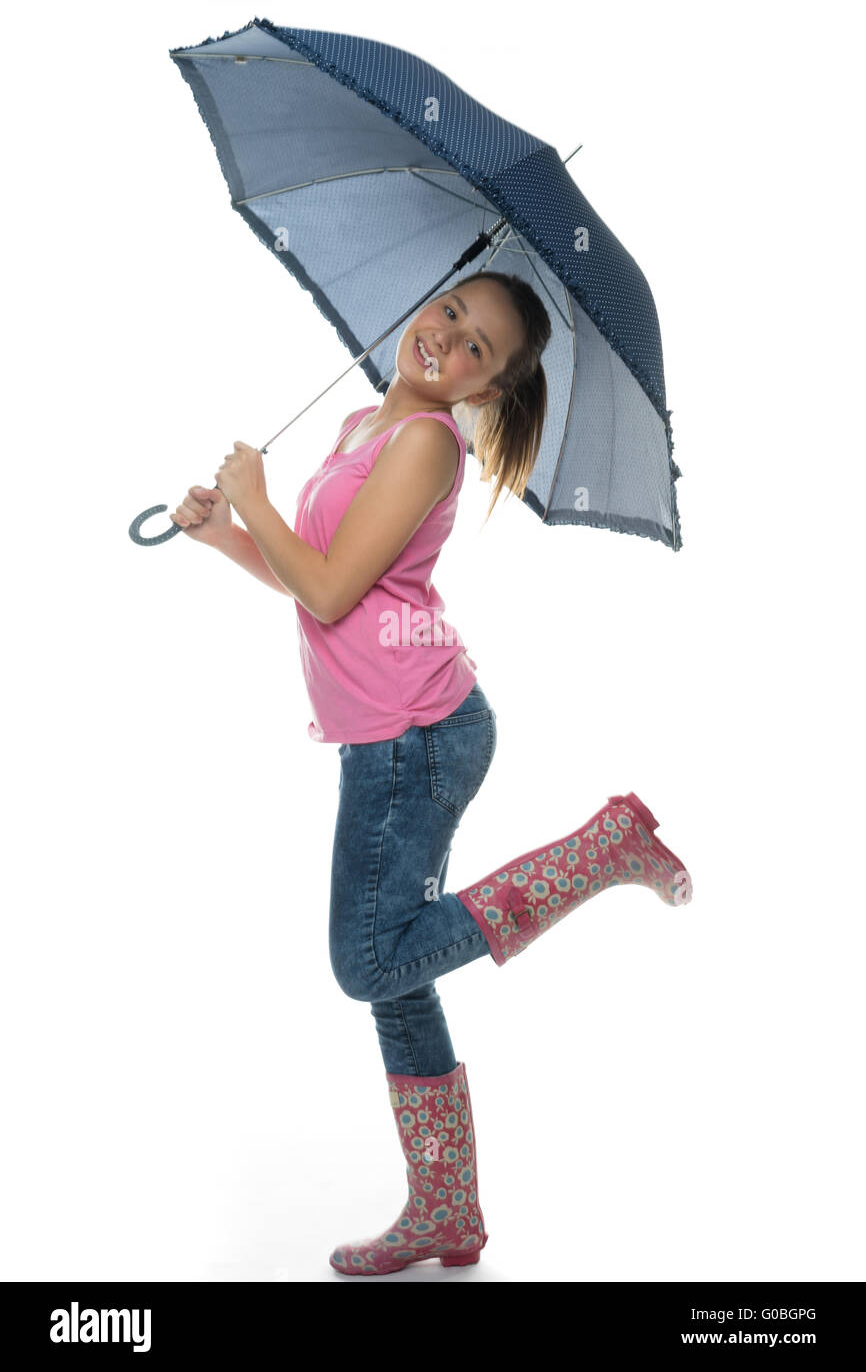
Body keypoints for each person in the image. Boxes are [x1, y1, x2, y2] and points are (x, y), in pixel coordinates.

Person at [170, 270, 692, 1276]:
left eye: (474, 350)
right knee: (398, 974)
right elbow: (306, 572)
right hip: (398, 730)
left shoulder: (422, 444)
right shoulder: (365, 422)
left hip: (413, 738)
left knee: (366, 960)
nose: (446, 341)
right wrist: (224, 532)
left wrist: (254, 496)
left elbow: (326, 594)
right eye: (450, 312)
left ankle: (598, 851)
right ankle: (444, 1212)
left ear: (482, 393)